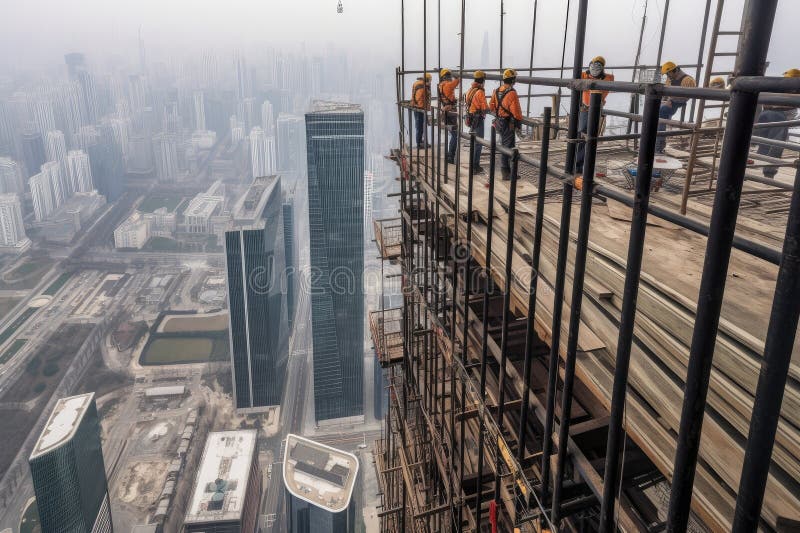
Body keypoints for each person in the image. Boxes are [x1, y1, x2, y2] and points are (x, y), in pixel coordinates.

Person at [756, 68, 800, 178]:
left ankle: (767, 169)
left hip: (776, 117)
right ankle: (766, 168)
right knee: (771, 143)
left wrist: (776, 106)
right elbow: (766, 104)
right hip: (774, 116)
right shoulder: (781, 89)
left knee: (771, 143)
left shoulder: (792, 90)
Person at [575, 56, 614, 175]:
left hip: (596, 109)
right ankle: (579, 166)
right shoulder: (584, 75)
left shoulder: (607, 78)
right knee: (582, 135)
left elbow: (609, 79)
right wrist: (588, 76)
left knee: (591, 137)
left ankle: (585, 165)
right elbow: (576, 81)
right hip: (585, 109)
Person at [656, 61, 696, 153]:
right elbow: (666, 91)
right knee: (657, 111)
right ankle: (659, 142)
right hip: (670, 101)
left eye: (668, 73)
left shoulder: (687, 80)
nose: (667, 76)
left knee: (662, 111)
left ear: (676, 70)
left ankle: (658, 144)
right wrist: (664, 100)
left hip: (678, 102)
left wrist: (671, 100)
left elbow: (686, 97)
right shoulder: (670, 79)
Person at [490, 68, 522, 179]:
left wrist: (500, 113)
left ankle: (508, 171)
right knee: (507, 146)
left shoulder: (497, 90)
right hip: (508, 122)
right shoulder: (512, 93)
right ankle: (506, 172)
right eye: (515, 79)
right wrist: (518, 122)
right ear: (513, 80)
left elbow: (491, 106)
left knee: (506, 144)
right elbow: (516, 111)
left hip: (499, 121)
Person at [464, 70, 489, 173]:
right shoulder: (480, 92)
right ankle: (475, 167)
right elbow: (484, 107)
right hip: (478, 119)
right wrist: (490, 110)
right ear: (482, 80)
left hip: (471, 118)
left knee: (474, 141)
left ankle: (473, 165)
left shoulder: (470, 90)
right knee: (478, 142)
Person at [438, 68, 461, 164]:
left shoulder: (441, 85)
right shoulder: (448, 85)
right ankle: (450, 156)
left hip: (446, 109)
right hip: (450, 110)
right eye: (449, 76)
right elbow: (458, 80)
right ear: (447, 77)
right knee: (455, 135)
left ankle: (449, 155)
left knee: (452, 134)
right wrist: (457, 75)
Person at [411, 73, 432, 148]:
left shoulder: (420, 84)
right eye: (430, 80)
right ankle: (419, 144)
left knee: (421, 126)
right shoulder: (422, 86)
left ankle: (421, 141)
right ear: (427, 79)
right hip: (420, 109)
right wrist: (422, 108)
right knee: (420, 126)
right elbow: (419, 98)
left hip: (419, 108)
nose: (430, 82)